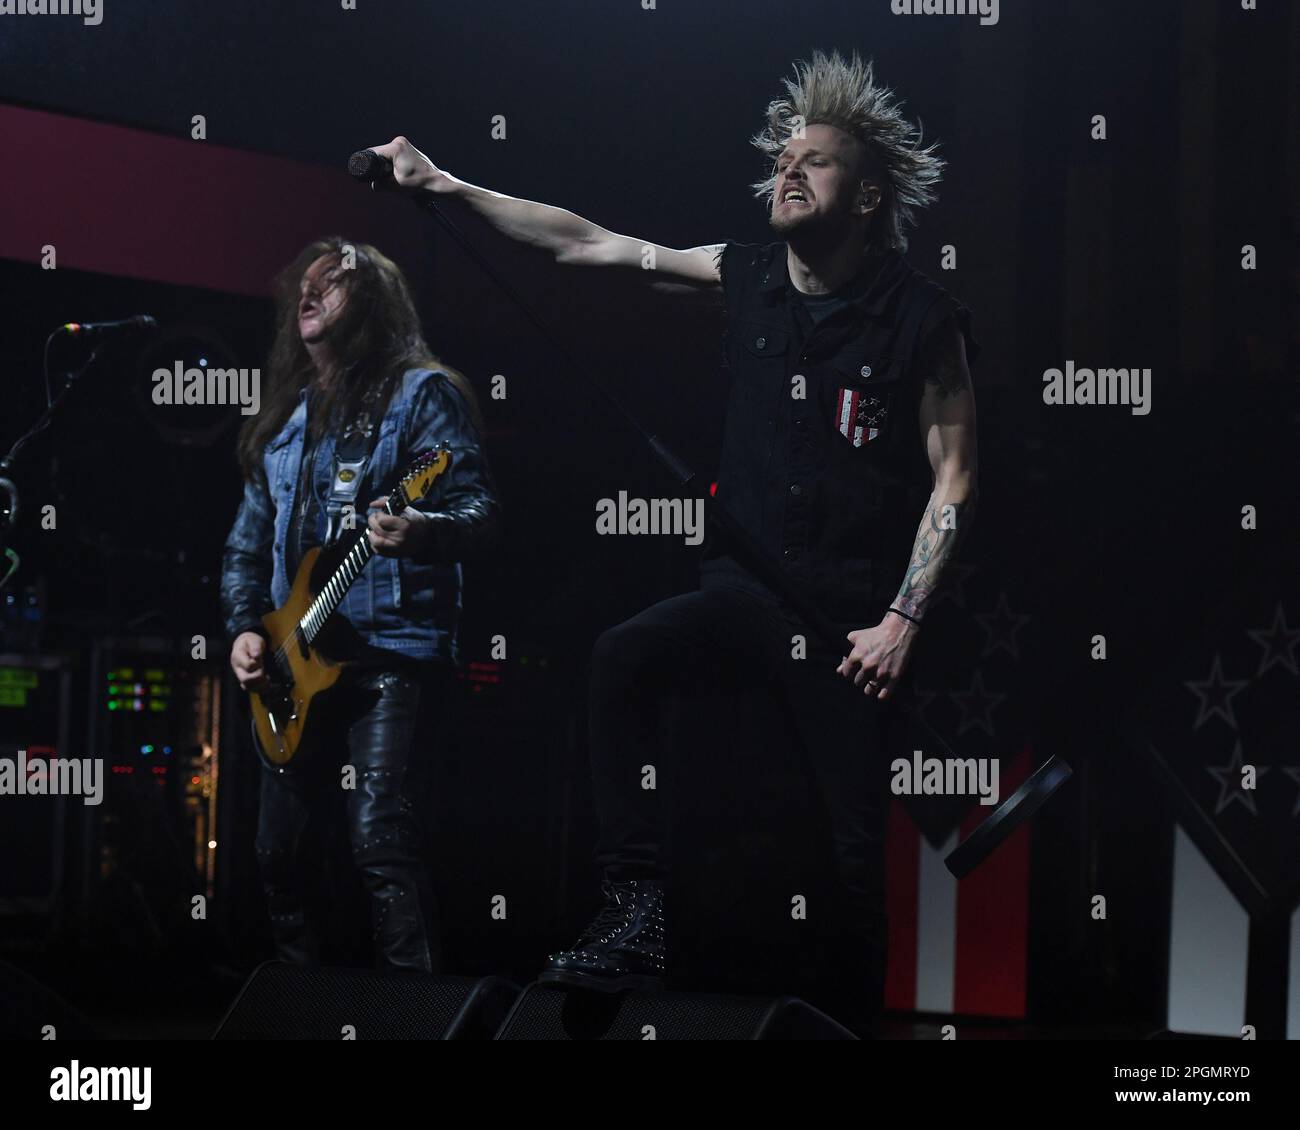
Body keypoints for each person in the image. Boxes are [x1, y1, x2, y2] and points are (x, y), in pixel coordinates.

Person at [361, 49, 979, 1031]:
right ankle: (637, 907)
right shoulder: (745, 279)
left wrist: (901, 618)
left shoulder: (917, 319)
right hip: (743, 589)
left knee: (854, 857)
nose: (788, 169)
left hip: (846, 616)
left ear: (865, 197)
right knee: (621, 656)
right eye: (783, 155)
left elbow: (953, 476)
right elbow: (588, 245)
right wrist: (444, 183)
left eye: (814, 161)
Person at [220, 236, 498, 973]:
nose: (309, 296)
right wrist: (246, 629)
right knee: (278, 852)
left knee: (379, 837)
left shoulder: (422, 396)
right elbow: (246, 549)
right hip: (294, 665)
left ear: (371, 303)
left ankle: (415, 1017)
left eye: (332, 284)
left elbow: (477, 509)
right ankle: (304, 1014)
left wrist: (423, 528)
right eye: (302, 287)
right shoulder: (285, 421)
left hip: (389, 655)